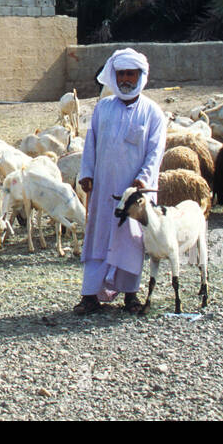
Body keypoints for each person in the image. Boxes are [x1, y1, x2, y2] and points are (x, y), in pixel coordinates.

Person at [75, 47, 167, 314]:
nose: (126, 78)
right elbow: (90, 144)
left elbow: (155, 151)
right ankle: (89, 296)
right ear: (114, 77)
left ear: (141, 76)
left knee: (132, 239)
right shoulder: (103, 108)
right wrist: (87, 174)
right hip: (103, 188)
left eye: (131, 73)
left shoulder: (153, 113)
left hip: (134, 192)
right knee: (98, 238)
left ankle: (131, 296)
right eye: (122, 74)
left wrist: (143, 180)